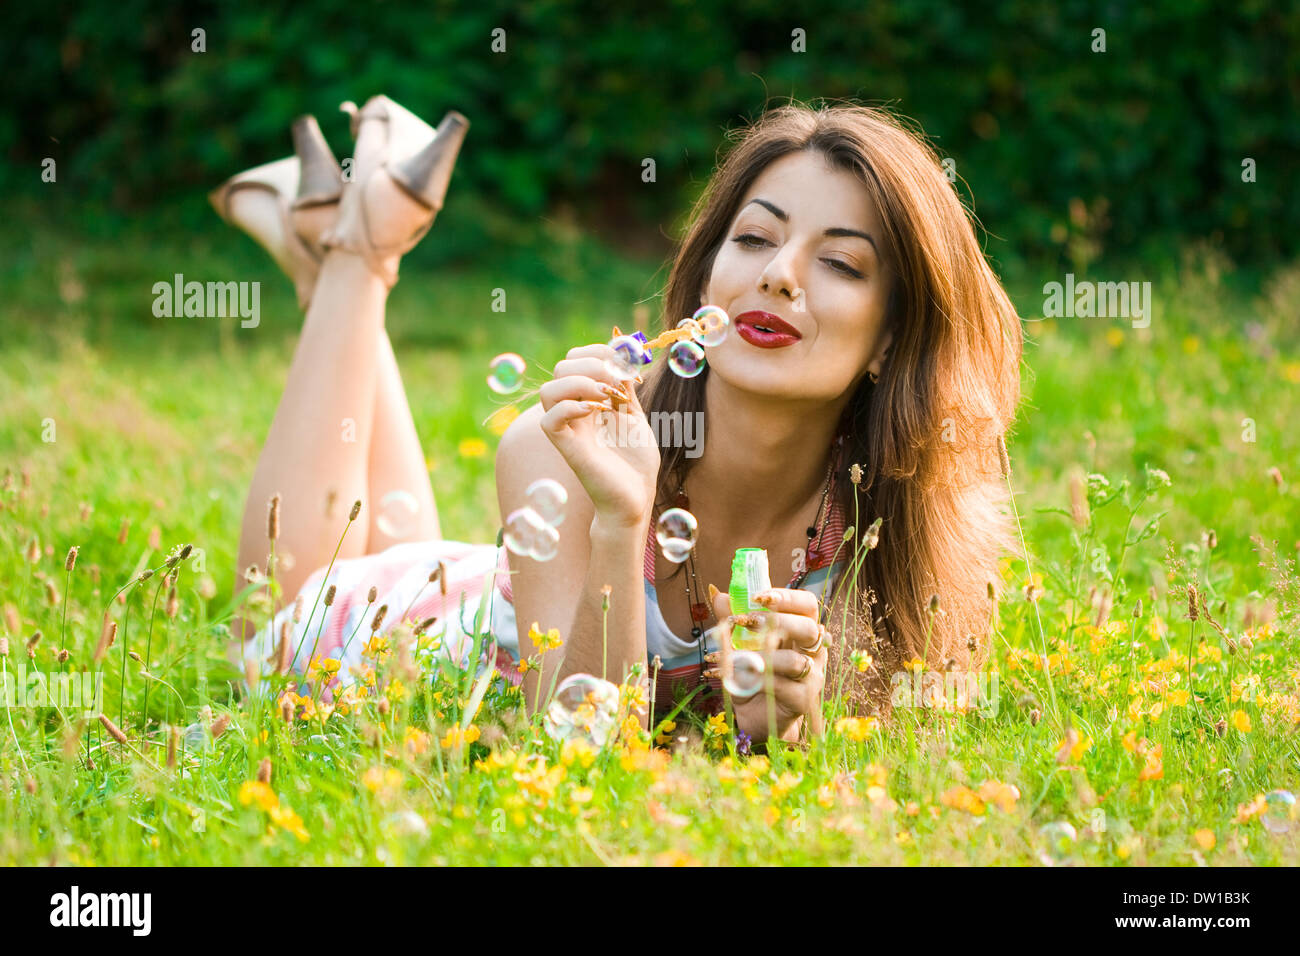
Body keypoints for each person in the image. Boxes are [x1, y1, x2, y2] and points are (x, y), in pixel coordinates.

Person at [222, 97, 1022, 748]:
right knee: (265, 636)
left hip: (471, 588)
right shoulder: (569, 449)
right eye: (754, 238)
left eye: (841, 263)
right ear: (709, 273)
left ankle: (339, 237)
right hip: (386, 634)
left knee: (398, 535)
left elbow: (831, 758)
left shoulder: (881, 524)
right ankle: (361, 247)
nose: (779, 275)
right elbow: (574, 751)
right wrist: (620, 517)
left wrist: (795, 728)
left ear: (891, 339)